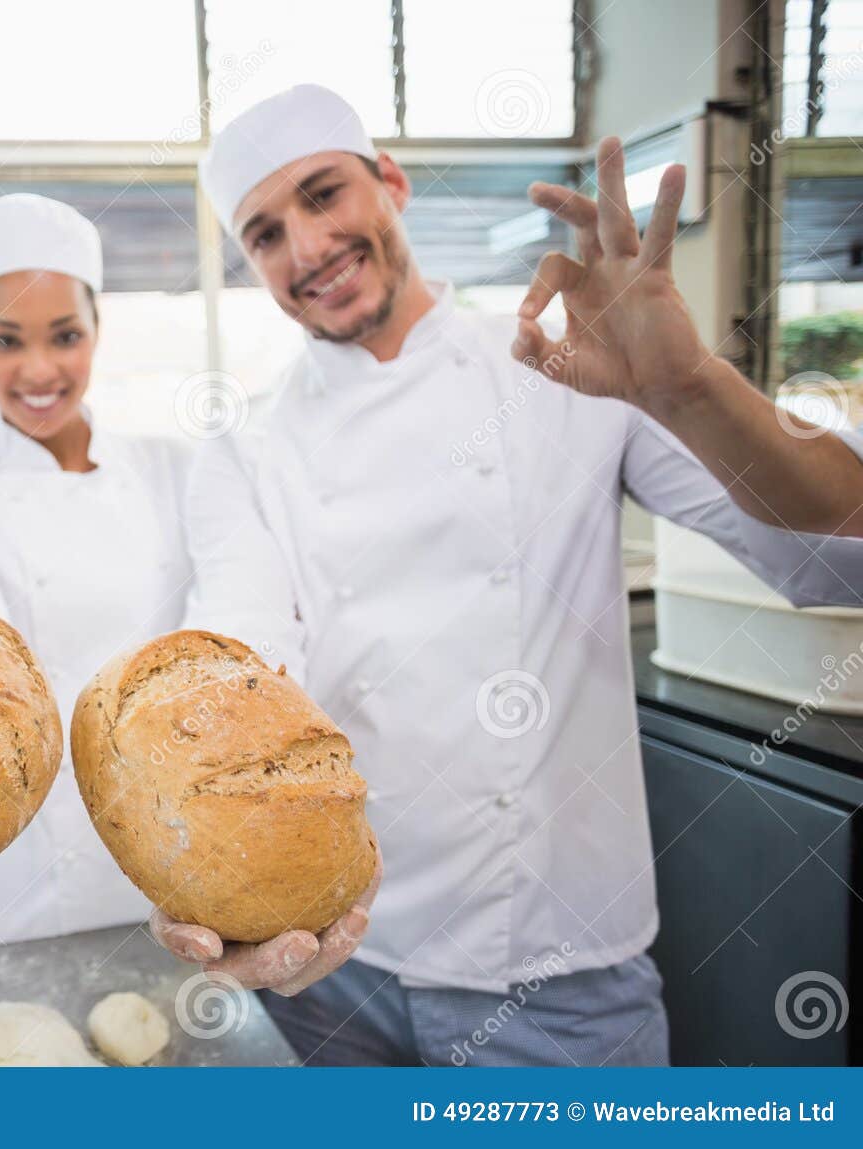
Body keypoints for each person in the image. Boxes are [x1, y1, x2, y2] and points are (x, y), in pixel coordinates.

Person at [156, 84, 863, 1065]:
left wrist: (689, 386)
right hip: (328, 964)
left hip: (549, 973)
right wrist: (198, 851)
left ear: (391, 181)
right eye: (265, 234)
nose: (307, 248)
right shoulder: (246, 449)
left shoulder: (565, 361)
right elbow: (243, 663)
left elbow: (832, 559)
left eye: (323, 195)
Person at [0, 193, 285, 953]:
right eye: (6, 341)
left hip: (153, 866)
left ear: (98, 329)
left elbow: (238, 637)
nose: (38, 370)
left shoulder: (176, 469)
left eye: (65, 336)